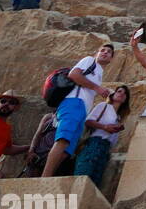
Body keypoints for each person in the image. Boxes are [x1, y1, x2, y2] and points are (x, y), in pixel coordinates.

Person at [42, 43, 115, 177]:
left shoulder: (99, 72)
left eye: (109, 52)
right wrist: (97, 88)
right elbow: (74, 75)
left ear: (111, 59)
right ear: (96, 54)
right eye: (102, 50)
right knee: (63, 139)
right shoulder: (89, 60)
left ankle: (49, 176)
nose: (105, 52)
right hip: (73, 102)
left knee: (67, 149)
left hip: (82, 109)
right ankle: (44, 178)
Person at [73, 85, 129, 188]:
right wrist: (104, 127)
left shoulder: (119, 117)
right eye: (119, 91)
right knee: (82, 177)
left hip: (105, 150)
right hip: (94, 144)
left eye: (125, 93)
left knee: (94, 185)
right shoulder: (104, 106)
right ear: (113, 95)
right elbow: (88, 121)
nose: (121, 94)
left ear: (126, 99)